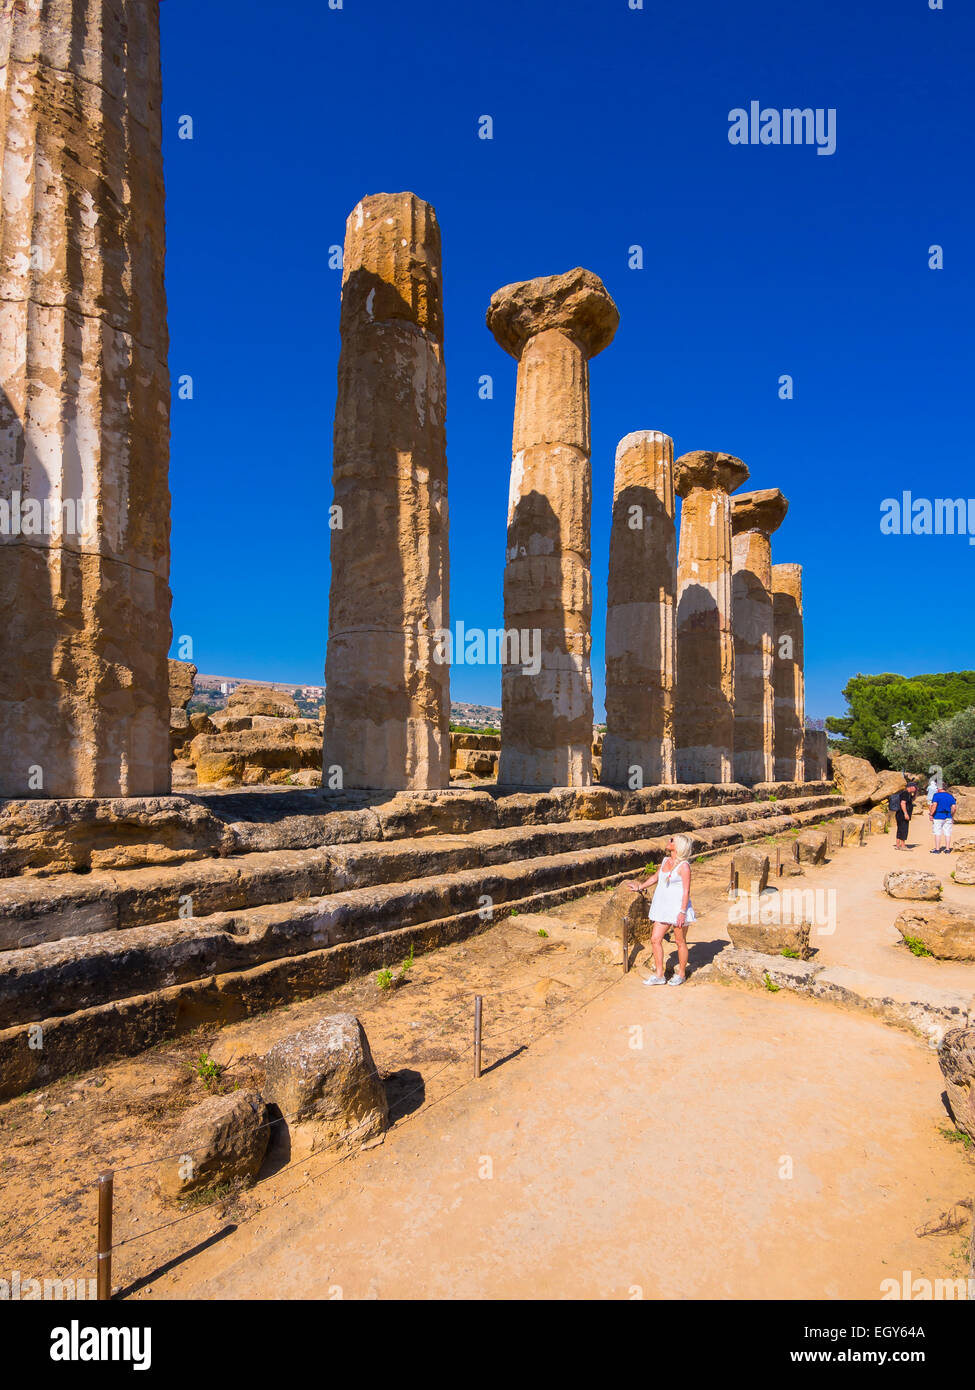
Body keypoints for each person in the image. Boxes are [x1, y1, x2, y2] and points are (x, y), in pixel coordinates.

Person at [624, 833, 696, 986]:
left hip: (678, 909)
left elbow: (686, 891)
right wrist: (639, 886)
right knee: (655, 939)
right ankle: (659, 975)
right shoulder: (665, 861)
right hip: (663, 907)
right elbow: (655, 877)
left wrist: (682, 912)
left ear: (678, 846)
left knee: (679, 941)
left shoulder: (684, 866)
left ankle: (681, 974)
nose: (669, 841)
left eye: (672, 840)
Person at [929, 786, 957, 854]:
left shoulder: (936, 795)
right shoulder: (950, 796)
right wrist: (952, 815)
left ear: (940, 788)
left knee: (937, 832)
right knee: (947, 832)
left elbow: (934, 805)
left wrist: (931, 814)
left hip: (938, 816)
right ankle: (947, 849)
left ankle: (937, 849)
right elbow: (954, 807)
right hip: (948, 816)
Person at [892, 782, 917, 850]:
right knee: (904, 829)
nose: (915, 788)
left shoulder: (905, 793)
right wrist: (906, 813)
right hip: (902, 814)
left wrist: (915, 793)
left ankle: (898, 845)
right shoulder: (905, 793)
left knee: (900, 829)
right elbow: (903, 803)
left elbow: (912, 799)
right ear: (911, 787)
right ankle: (903, 846)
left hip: (899, 814)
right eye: (915, 787)